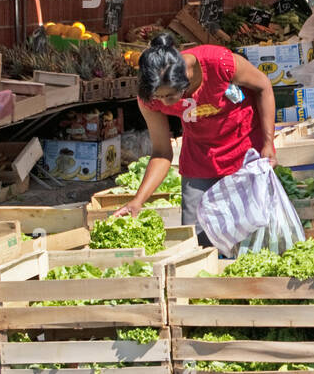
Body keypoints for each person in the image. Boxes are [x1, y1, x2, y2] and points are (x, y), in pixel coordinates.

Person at [117, 34, 278, 230]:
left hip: (244, 152)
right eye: (159, 97)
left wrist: (268, 143)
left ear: (183, 77)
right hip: (200, 161)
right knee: (197, 235)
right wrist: (138, 201)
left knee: (250, 230)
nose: (165, 102)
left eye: (170, 95)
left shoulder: (219, 63)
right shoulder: (149, 100)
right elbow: (161, 153)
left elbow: (263, 87)